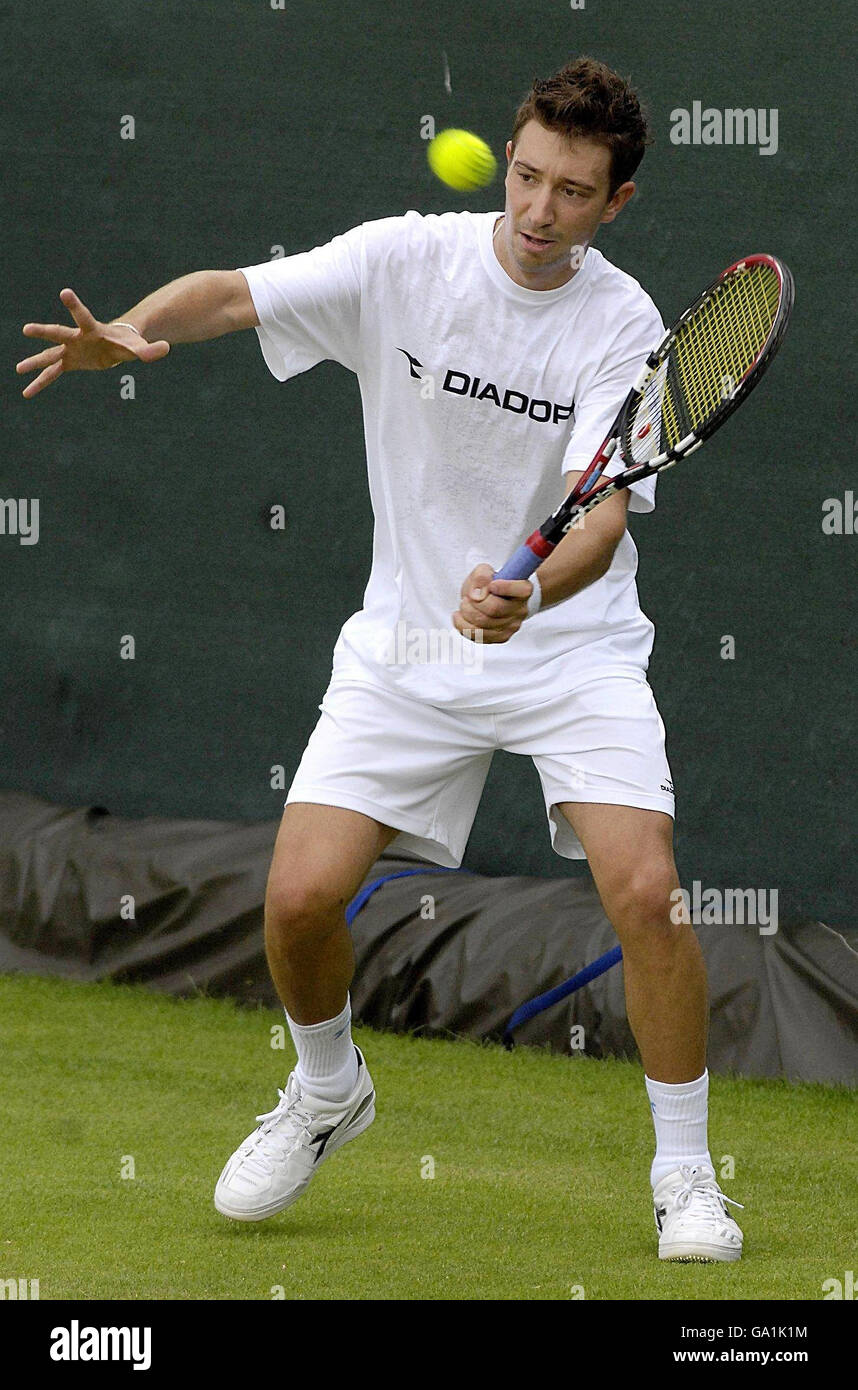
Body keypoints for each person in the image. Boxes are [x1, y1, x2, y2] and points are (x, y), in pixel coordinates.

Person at [17, 56, 743, 1263]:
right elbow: (232, 295)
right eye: (525, 175)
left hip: (570, 650)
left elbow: (602, 510)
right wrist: (134, 331)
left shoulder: (623, 325)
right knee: (298, 899)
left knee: (646, 889)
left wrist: (530, 589)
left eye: (572, 191)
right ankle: (326, 1089)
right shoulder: (405, 257)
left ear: (616, 202)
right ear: (505, 159)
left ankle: (687, 1175)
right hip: (407, 641)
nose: (537, 209)